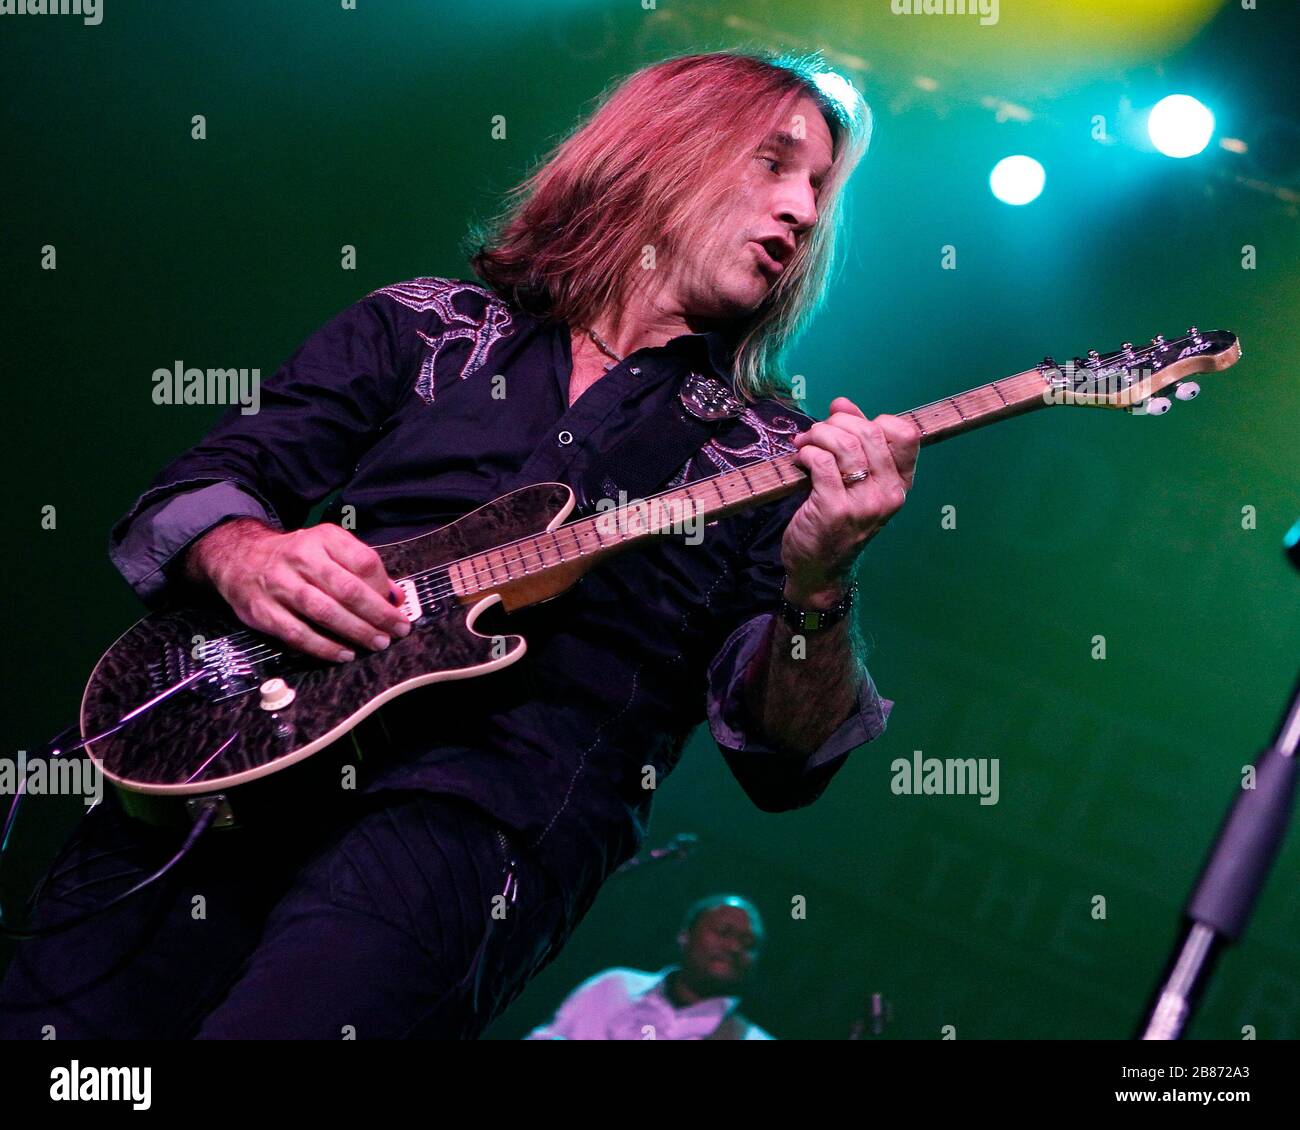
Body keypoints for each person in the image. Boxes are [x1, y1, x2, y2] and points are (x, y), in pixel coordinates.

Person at [0, 50, 919, 1039]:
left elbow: (786, 755)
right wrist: (248, 554)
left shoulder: (769, 455)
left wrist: (821, 581)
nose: (803, 209)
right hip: (227, 754)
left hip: (474, 830)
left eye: (821, 188)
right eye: (775, 163)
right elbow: (195, 491)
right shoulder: (429, 326)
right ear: (662, 151)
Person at [527, 895, 773, 1040]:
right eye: (724, 932)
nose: (734, 947)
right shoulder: (615, 984)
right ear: (685, 935)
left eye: (748, 943)